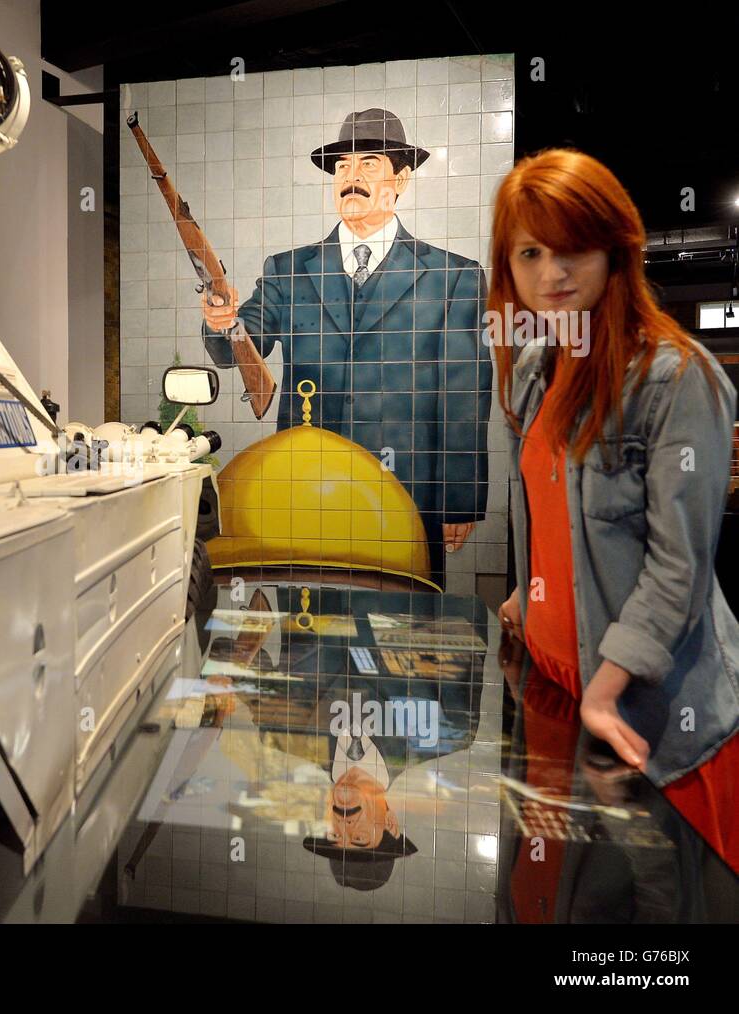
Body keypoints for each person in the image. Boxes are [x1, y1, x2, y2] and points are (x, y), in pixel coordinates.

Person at [490, 148, 739, 873]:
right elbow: (546, 511)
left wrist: (605, 691)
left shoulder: (678, 377)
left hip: (652, 727)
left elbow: (679, 568)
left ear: (616, 248)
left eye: (574, 248)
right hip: (558, 700)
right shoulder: (535, 371)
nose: (551, 273)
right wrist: (522, 595)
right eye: (530, 252)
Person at [201, 108, 491, 587]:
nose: (350, 178)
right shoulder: (288, 270)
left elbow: (464, 397)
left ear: (401, 181)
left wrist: (457, 499)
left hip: (405, 493)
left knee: (404, 635)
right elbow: (241, 341)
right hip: (306, 491)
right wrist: (221, 320)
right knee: (305, 634)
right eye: (341, 168)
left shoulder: (453, 277)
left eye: (369, 164)